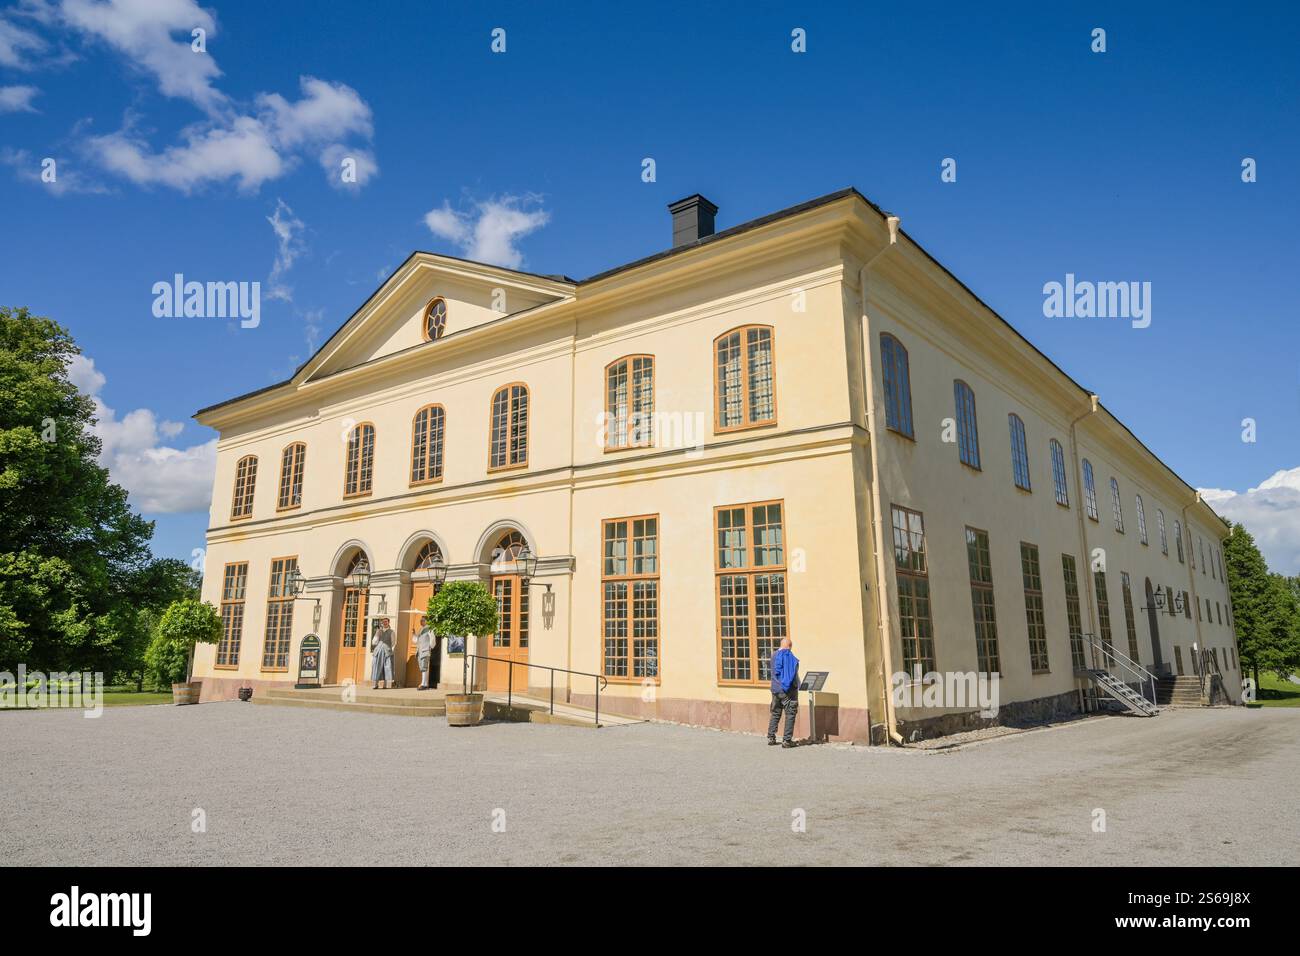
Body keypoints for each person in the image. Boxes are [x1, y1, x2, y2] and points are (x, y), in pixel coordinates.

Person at [767, 637, 800, 748]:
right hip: (787, 691)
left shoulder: (773, 655)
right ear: (789, 646)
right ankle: (786, 740)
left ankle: (771, 737)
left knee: (775, 713)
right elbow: (792, 675)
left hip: (775, 689)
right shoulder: (789, 657)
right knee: (790, 713)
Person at [370, 617, 395, 690]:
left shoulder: (392, 632)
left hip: (387, 651)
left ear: (388, 622)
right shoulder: (379, 631)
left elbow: (393, 643)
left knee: (386, 668)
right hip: (378, 651)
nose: (384, 623)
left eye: (386, 622)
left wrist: (391, 651)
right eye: (383, 622)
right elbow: (374, 642)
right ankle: (376, 684)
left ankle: (385, 684)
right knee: (377, 667)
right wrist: (377, 634)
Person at [415, 620, 438, 690]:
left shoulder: (429, 629)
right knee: (422, 667)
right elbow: (416, 641)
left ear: (427, 621)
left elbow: (432, 639)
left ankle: (424, 684)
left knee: (424, 667)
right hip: (420, 651)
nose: (421, 622)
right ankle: (424, 683)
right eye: (421, 620)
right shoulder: (420, 630)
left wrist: (429, 647)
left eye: (423, 620)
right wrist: (413, 634)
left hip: (425, 650)